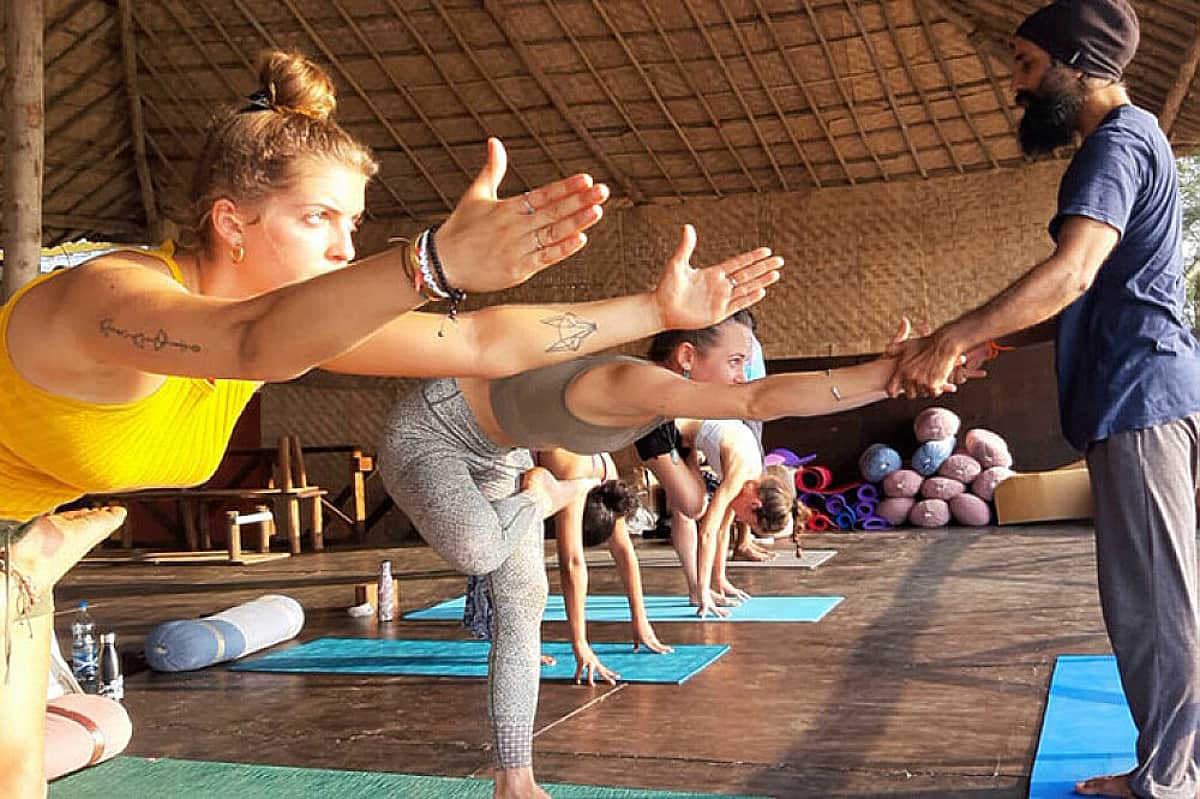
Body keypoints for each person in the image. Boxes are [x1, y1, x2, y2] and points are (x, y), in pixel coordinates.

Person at [0, 50, 783, 799]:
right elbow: (249, 344)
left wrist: (654, 310)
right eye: (319, 218)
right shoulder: (110, 298)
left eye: (355, 222)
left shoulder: (288, 325)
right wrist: (430, 263)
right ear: (232, 223)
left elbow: (481, 342)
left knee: (18, 771)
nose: (345, 247)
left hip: (16, 539)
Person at [378, 307, 963, 798]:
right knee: (482, 551)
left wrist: (896, 374)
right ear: (687, 357)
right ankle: (542, 493)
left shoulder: (657, 416)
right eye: (734, 362)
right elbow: (763, 399)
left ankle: (516, 779)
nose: (743, 375)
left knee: (525, 602)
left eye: (745, 363)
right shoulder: (634, 383)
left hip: (498, 458)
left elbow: (687, 502)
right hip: (433, 432)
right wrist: (888, 373)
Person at [887, 2, 1200, 796]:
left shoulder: (1114, 147)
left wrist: (950, 338)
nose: (1015, 83)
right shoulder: (1138, 141)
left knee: (1154, 605)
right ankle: (1174, 766)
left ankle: (1168, 779)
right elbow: (1086, 296)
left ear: (1078, 62)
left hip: (1142, 398)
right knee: (1162, 595)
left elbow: (1072, 273)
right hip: (1154, 392)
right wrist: (989, 341)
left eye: (1027, 64)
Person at [463, 449, 671, 686]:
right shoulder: (574, 477)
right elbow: (571, 562)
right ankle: (514, 642)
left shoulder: (606, 478)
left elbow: (623, 550)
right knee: (516, 565)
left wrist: (640, 620)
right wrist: (580, 644)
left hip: (533, 463)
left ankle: (516, 638)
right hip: (499, 459)